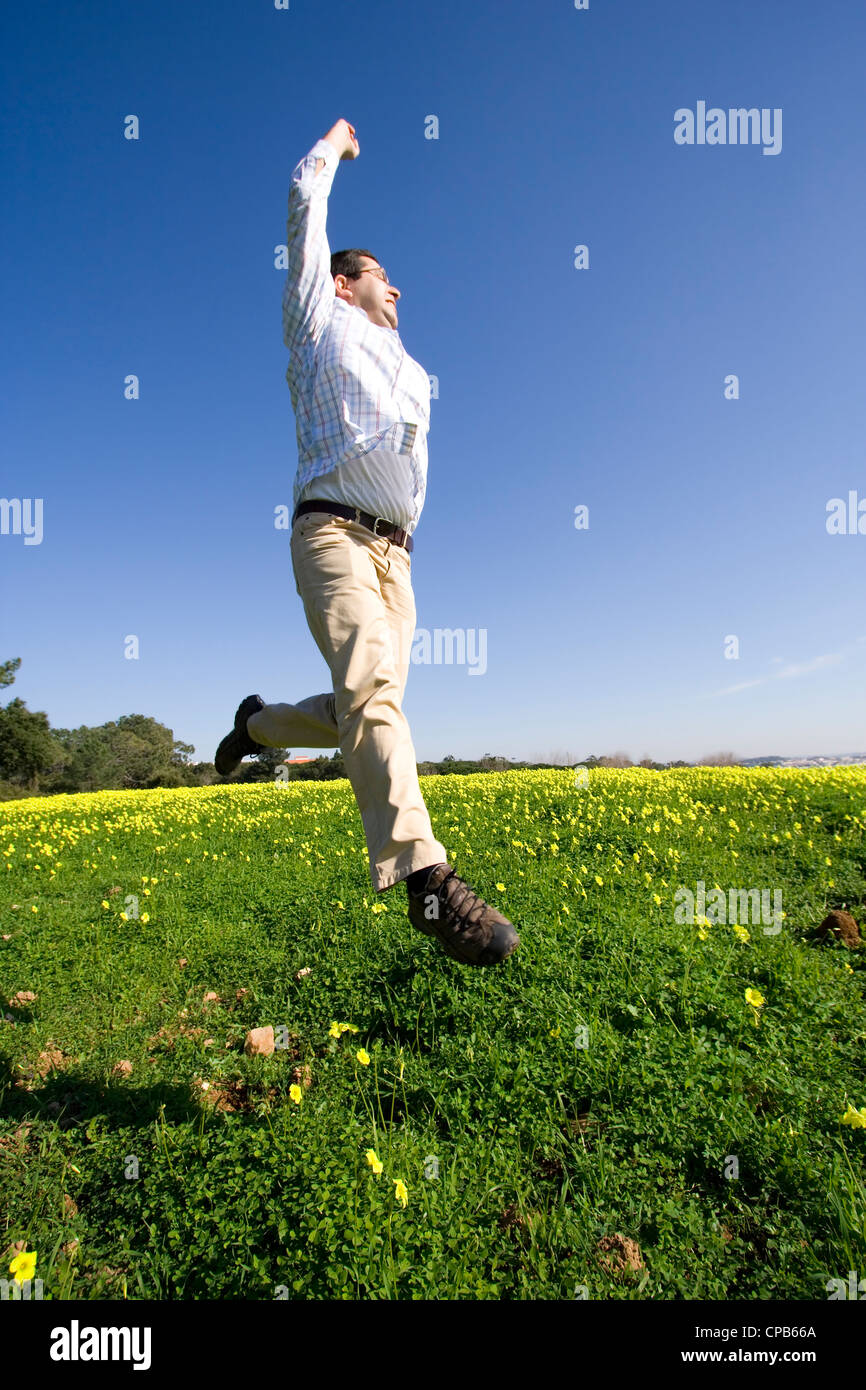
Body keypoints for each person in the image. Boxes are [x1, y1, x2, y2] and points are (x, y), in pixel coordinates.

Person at [215, 119, 519, 968]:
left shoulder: (414, 369)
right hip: (333, 532)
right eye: (383, 275)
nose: (399, 288)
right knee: (375, 696)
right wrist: (332, 147)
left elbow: (415, 464)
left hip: (398, 552)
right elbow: (302, 203)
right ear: (344, 285)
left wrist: (409, 537)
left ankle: (258, 726)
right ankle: (425, 878)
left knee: (366, 701)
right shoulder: (319, 321)